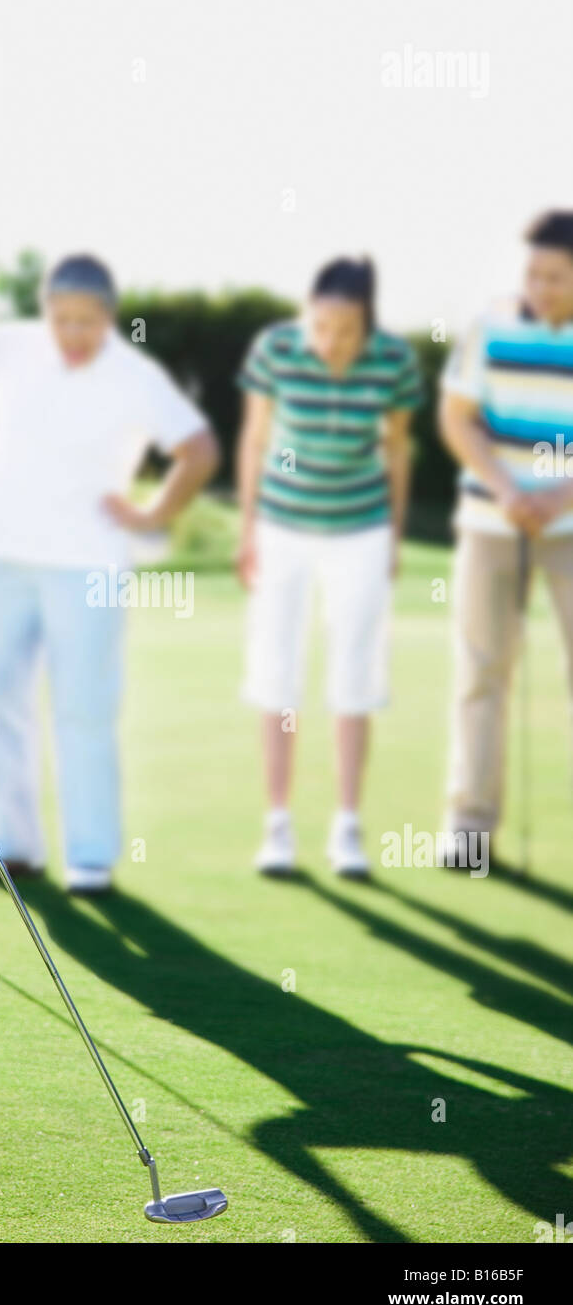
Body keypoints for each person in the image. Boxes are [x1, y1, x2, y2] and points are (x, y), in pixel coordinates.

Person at [0, 244, 219, 895]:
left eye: (87, 321)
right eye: (63, 319)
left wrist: (153, 513)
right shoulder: (18, 347)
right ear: (47, 312)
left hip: (87, 562)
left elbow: (197, 449)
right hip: (2, 553)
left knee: (83, 709)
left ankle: (90, 853)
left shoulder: (135, 374)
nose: (74, 334)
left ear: (110, 318)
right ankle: (15, 841)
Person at [235, 258, 421, 876]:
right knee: (276, 673)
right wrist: (247, 531)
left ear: (367, 324)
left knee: (355, 675)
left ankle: (346, 826)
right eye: (320, 327)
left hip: (360, 527)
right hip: (283, 525)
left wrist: (393, 535)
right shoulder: (277, 350)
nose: (329, 343)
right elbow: (255, 440)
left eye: (344, 332)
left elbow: (396, 448)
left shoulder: (392, 362)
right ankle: (277, 825)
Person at [439, 211, 573, 861]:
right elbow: (457, 418)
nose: (540, 287)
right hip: (492, 523)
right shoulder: (490, 324)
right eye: (533, 273)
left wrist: (557, 495)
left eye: (555, 276)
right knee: (483, 671)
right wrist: (509, 489)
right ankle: (469, 828)